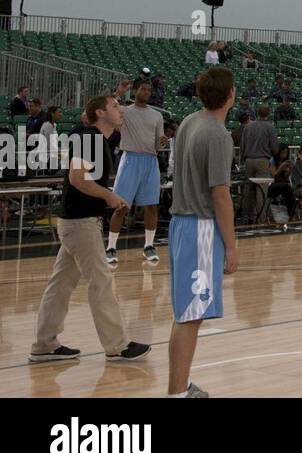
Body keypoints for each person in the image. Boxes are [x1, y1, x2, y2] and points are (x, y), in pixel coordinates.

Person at [27, 95, 151, 365]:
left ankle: (44, 344)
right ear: (100, 112)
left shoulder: (98, 139)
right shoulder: (89, 138)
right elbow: (77, 178)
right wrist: (109, 196)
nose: (122, 111)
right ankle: (117, 345)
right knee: (101, 281)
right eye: (115, 107)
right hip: (80, 223)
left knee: (60, 285)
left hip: (75, 222)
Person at [167, 66, 238, 398]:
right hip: (201, 229)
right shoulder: (217, 134)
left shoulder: (188, 121)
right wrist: (232, 246)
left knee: (186, 313)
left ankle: (181, 386)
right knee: (190, 317)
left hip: (181, 223)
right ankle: (177, 393)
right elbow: (220, 193)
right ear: (230, 95)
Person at [105, 77, 167, 266]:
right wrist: (119, 92)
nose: (146, 92)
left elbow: (158, 144)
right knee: (121, 206)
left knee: (151, 206)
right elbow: (106, 108)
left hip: (150, 160)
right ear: (136, 91)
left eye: (149, 90)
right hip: (130, 158)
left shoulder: (157, 115)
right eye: (143, 89)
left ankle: (149, 246)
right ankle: (111, 248)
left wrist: (162, 141)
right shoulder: (124, 111)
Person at [240, 104, 279, 225]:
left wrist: (243, 160)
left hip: (248, 160)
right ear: (268, 114)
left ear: (256, 113)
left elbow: (242, 145)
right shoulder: (270, 127)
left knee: (248, 190)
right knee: (261, 191)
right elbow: (274, 147)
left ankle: (246, 217)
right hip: (262, 160)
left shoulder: (248, 126)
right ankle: (260, 218)